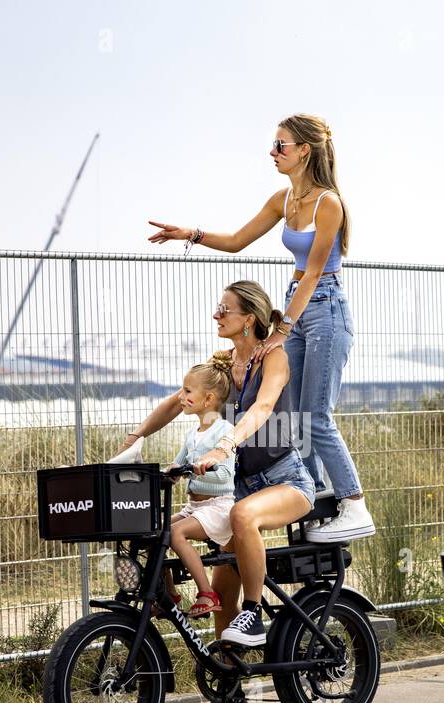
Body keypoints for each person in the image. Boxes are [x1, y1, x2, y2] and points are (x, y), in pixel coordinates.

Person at [146, 112, 374, 543]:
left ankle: (354, 504)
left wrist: (282, 331)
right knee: (302, 417)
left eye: (280, 146)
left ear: (304, 150)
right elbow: (236, 240)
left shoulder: (329, 204)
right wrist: (188, 234)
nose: (273, 153)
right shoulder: (282, 201)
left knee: (318, 415)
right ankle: (315, 500)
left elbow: (313, 273)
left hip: (324, 308)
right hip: (296, 307)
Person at [117, 281, 315, 703]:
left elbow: (263, 408)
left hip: (286, 480)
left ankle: (254, 613)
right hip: (239, 488)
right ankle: (230, 696)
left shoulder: (274, 357)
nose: (216, 315)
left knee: (244, 517)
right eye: (216, 308)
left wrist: (227, 443)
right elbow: (177, 401)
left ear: (249, 317)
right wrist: (136, 438)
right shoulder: (222, 364)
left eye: (224, 309)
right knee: (216, 590)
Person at [158, 356, 237, 619]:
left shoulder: (225, 431)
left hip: (218, 507)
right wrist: (168, 473)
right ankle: (167, 593)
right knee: (155, 532)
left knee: (176, 534)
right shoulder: (193, 435)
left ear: (209, 399)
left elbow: (226, 476)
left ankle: (207, 593)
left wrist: (199, 469)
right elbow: (177, 464)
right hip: (195, 507)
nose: (181, 396)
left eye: (188, 391)